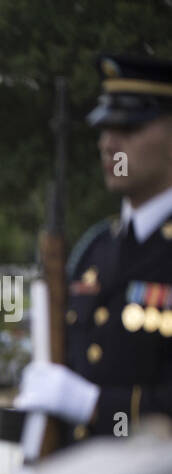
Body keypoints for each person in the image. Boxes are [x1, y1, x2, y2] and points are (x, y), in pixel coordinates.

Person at [15, 53, 172, 440]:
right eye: (104, 129)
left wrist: (94, 406)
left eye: (127, 128)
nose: (107, 144)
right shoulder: (95, 249)